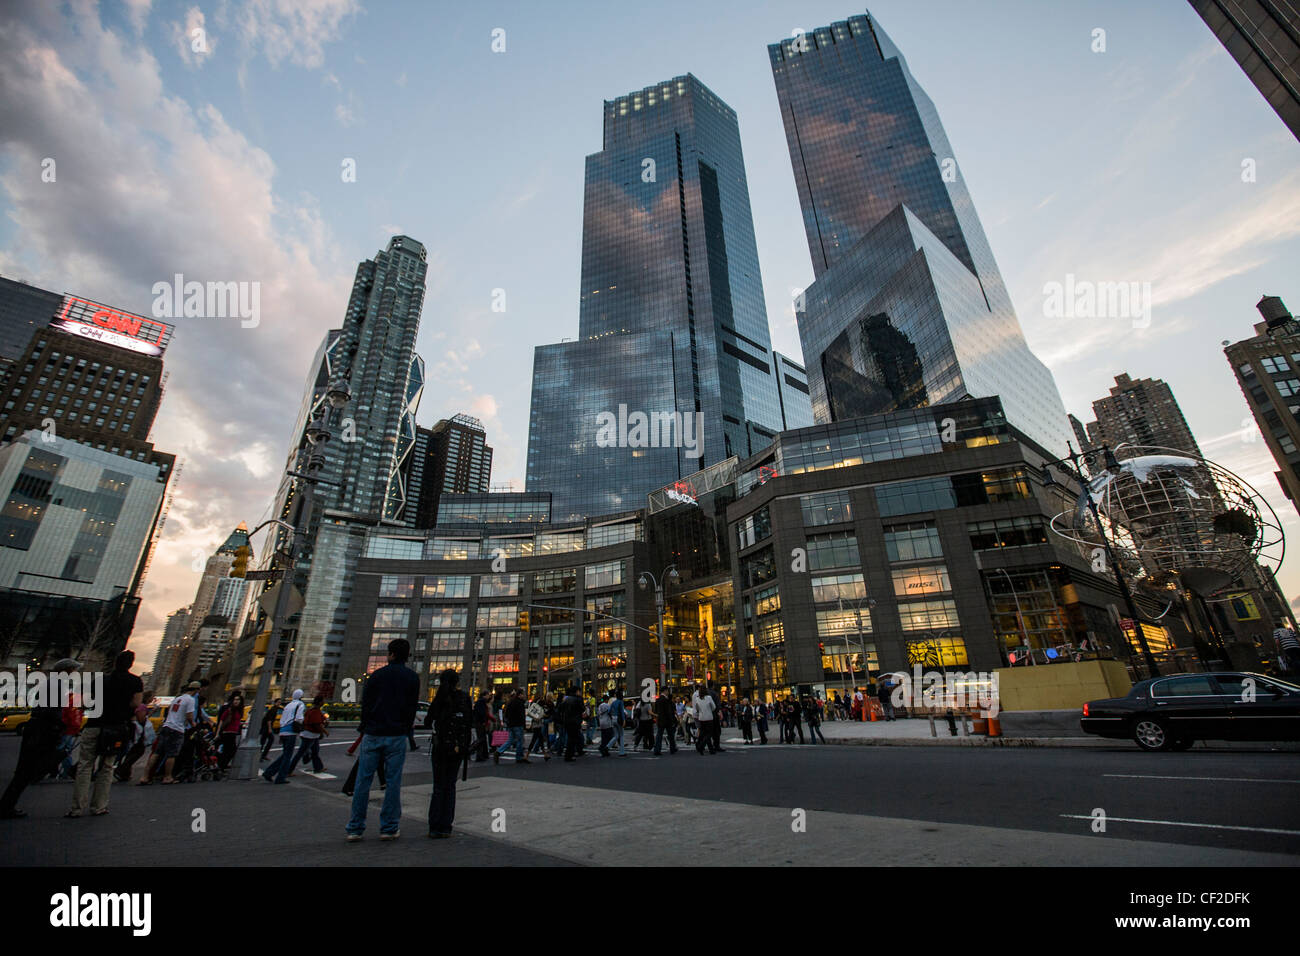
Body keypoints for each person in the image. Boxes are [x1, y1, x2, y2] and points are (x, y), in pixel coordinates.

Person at [346, 638, 418, 842]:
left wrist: (366, 725)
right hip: (396, 735)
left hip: (373, 733)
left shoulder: (376, 676)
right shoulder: (412, 677)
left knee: (363, 782)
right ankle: (389, 827)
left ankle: (355, 828)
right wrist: (405, 728)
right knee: (393, 782)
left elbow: (366, 704)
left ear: (391, 654)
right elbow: (411, 708)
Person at [0, 659, 79, 818]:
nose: (74, 673)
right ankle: (6, 806)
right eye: (73, 670)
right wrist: (61, 725)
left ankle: (7, 805)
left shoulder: (51, 683)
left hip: (37, 727)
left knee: (24, 771)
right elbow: (53, 710)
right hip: (42, 730)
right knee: (26, 771)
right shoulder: (57, 686)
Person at [67, 650, 142, 818]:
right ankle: (98, 806)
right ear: (131, 664)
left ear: (115, 662)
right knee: (107, 767)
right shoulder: (135, 681)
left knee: (85, 765)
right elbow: (136, 703)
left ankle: (76, 808)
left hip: (94, 725)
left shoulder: (101, 680)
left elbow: (83, 702)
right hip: (115, 728)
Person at [425, 668, 473, 838]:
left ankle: (434, 826)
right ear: (457, 682)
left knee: (438, 786)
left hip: (440, 748)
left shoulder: (440, 698)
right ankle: (446, 826)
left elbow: (427, 721)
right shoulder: (464, 698)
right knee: (450, 785)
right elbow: (469, 722)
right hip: (458, 748)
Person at [141, 681, 201, 784]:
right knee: (172, 754)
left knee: (157, 752)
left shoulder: (177, 698)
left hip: (166, 726)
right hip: (177, 729)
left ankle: (145, 776)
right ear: (196, 690)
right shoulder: (190, 700)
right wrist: (193, 724)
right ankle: (167, 777)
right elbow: (190, 715)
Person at [262, 689, 306, 784]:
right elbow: (299, 718)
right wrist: (302, 725)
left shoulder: (288, 705)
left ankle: (269, 772)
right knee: (287, 756)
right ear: (301, 696)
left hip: (283, 730)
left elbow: (282, 719)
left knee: (285, 754)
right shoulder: (300, 704)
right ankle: (281, 777)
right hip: (291, 731)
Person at [289, 695, 329, 774]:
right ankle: (289, 770)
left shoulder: (311, 710)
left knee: (315, 752)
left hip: (312, 735)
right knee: (301, 753)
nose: (324, 702)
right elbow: (316, 724)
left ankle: (318, 767)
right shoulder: (315, 711)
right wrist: (324, 731)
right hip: (310, 735)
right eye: (323, 701)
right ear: (320, 702)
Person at [114, 704, 155, 782]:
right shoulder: (140, 709)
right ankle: (120, 771)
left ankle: (124, 773)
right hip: (137, 740)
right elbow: (141, 719)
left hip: (138, 739)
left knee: (129, 755)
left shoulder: (137, 708)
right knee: (133, 755)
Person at [494, 688, 529, 764]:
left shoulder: (510, 702)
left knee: (510, 740)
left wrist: (508, 722)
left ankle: (499, 751)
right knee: (520, 740)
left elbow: (506, 713)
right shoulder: (520, 703)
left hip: (511, 724)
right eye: (523, 694)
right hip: (518, 724)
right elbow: (521, 715)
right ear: (520, 695)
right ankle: (519, 757)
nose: (524, 696)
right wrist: (524, 725)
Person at [214, 691, 244, 771]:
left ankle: (221, 766)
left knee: (228, 751)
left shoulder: (239, 710)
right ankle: (221, 766)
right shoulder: (230, 709)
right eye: (235, 699)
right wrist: (217, 733)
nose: (236, 701)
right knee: (230, 751)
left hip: (233, 733)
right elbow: (221, 720)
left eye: (238, 700)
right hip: (227, 733)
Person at [559, 685, 584, 762]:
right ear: (577, 691)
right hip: (575, 721)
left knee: (570, 738)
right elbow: (582, 709)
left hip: (567, 721)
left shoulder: (566, 699)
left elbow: (560, 708)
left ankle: (568, 754)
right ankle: (570, 755)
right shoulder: (578, 699)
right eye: (579, 691)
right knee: (573, 739)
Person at [692, 686, 717, 755]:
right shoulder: (708, 698)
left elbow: (697, 708)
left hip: (701, 717)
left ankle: (709, 748)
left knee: (703, 733)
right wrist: (709, 710)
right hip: (709, 717)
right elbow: (714, 707)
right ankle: (701, 745)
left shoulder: (697, 699)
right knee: (709, 733)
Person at [652, 689, 677, 755]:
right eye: (667, 691)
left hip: (660, 719)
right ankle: (673, 748)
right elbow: (668, 711)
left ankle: (657, 749)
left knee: (659, 735)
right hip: (667, 720)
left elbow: (656, 710)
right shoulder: (666, 700)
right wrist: (672, 720)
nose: (668, 692)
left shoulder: (658, 700)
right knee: (671, 735)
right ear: (665, 691)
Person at [471, 691, 492, 762]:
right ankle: (472, 751)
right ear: (484, 695)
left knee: (482, 739)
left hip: (479, 722)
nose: (489, 697)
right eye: (488, 695)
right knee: (481, 739)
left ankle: (482, 754)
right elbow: (482, 713)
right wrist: (484, 721)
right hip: (480, 722)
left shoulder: (480, 702)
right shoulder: (482, 702)